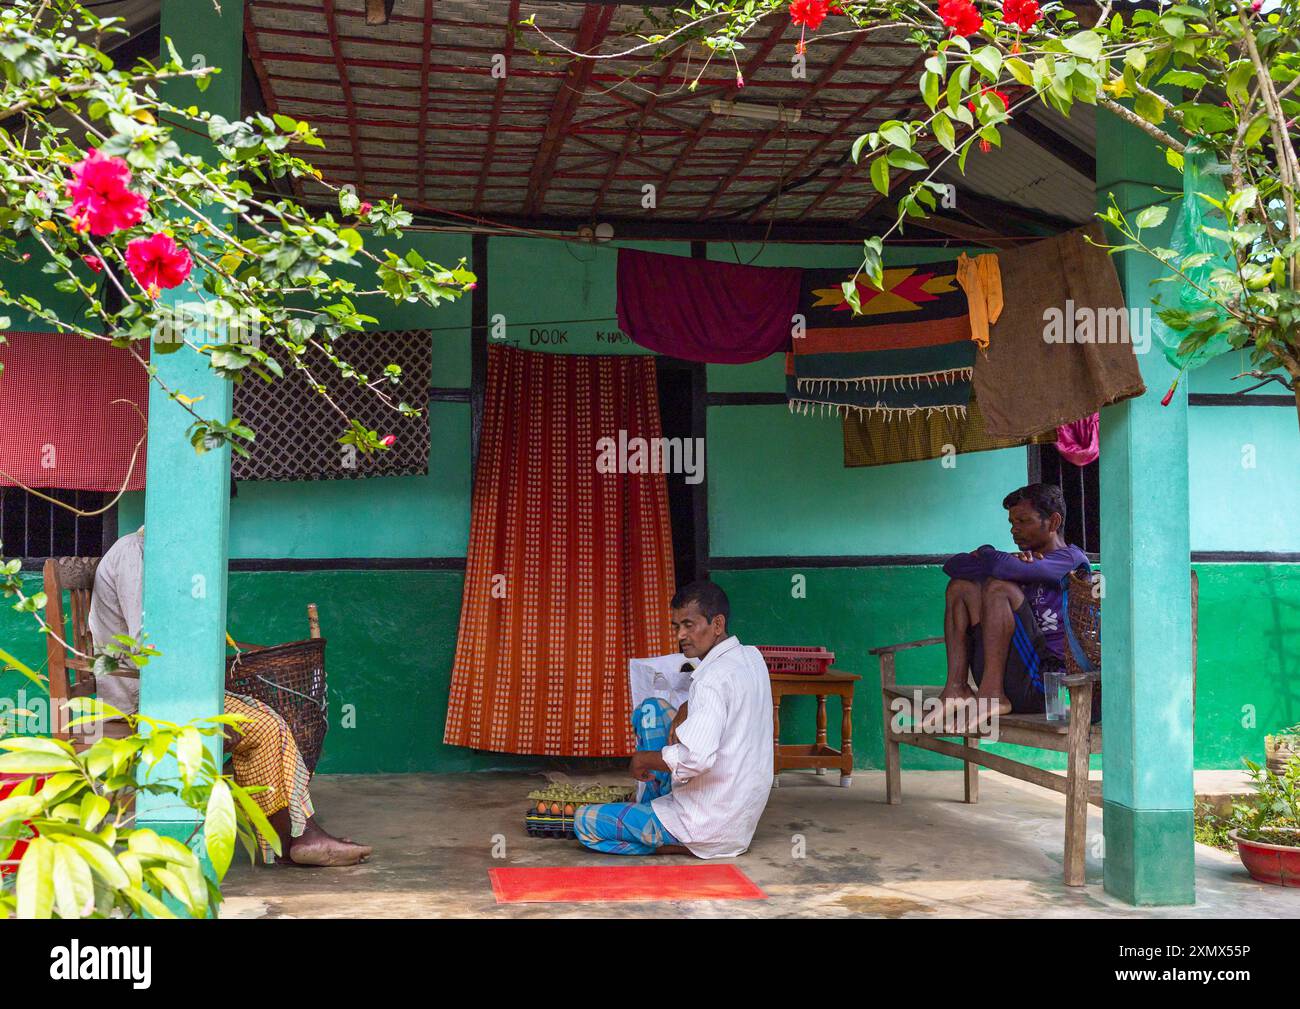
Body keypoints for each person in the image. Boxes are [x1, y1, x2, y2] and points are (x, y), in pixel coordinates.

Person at [89, 527, 372, 867]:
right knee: (267, 727)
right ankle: (298, 838)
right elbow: (144, 642)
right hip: (143, 698)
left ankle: (297, 836)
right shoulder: (132, 553)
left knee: (269, 723)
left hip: (165, 689)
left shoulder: (153, 557)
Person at [573, 580, 773, 858]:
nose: (681, 635)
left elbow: (697, 759)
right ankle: (655, 809)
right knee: (653, 710)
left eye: (689, 625)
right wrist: (686, 707)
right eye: (677, 626)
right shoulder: (751, 657)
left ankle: (676, 844)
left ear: (717, 624)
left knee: (585, 822)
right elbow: (730, 699)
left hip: (705, 823)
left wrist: (643, 759)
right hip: (738, 819)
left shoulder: (710, 680)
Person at [926, 483, 1091, 731]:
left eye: (1023, 521)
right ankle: (957, 687)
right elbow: (954, 566)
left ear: (1054, 522)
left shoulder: (1070, 559)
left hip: (1045, 688)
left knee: (999, 587)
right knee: (961, 587)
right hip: (1007, 674)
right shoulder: (1022, 560)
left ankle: (992, 695)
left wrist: (985, 552)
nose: (1015, 530)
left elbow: (1002, 570)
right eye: (1012, 522)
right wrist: (1002, 561)